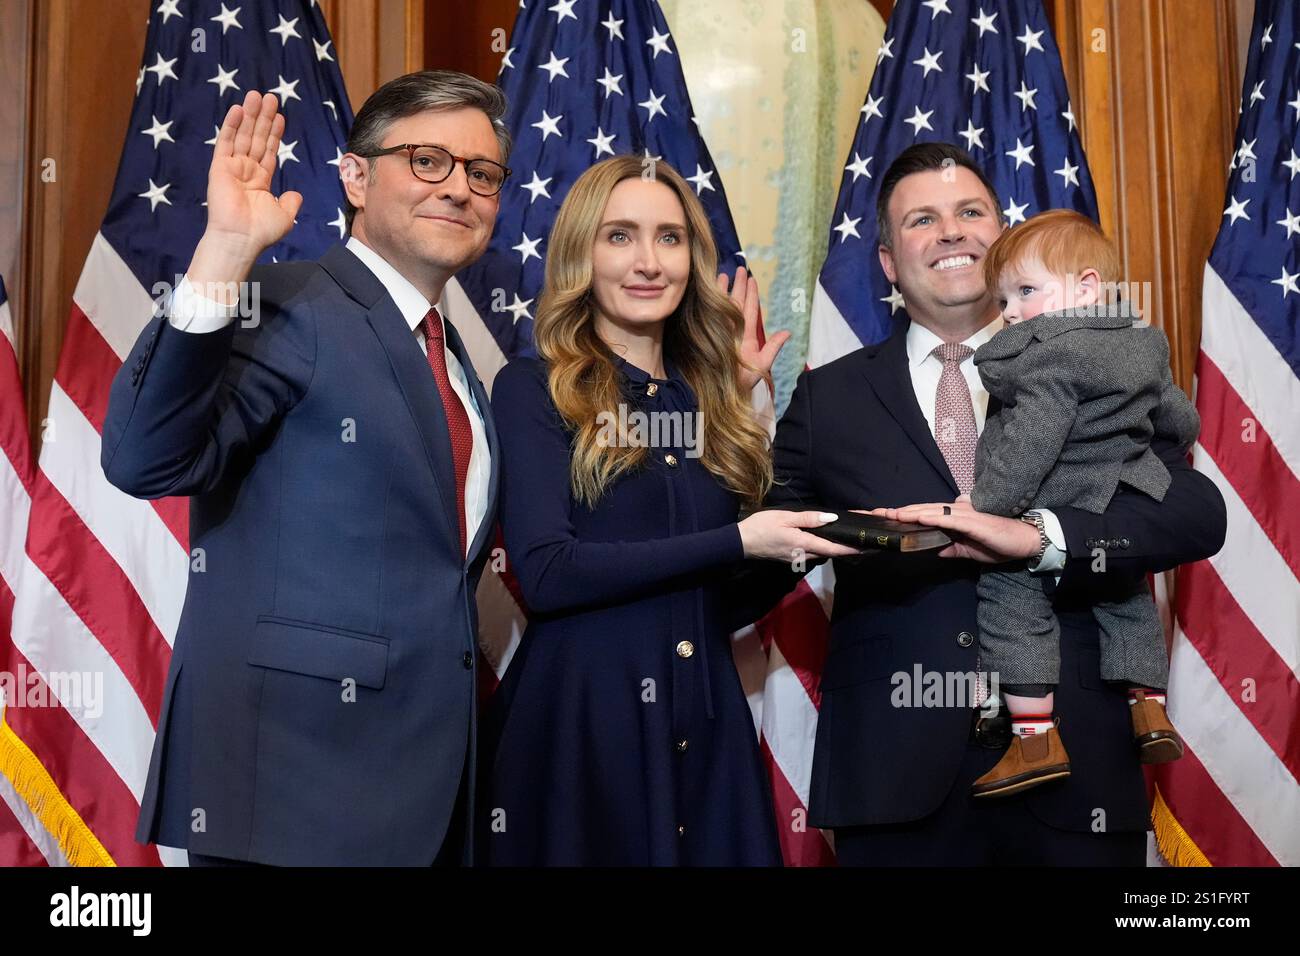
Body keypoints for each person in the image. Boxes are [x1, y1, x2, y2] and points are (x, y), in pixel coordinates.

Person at [764, 143, 1226, 865]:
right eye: (922, 219)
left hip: (1081, 777)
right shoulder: (829, 398)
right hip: (894, 788)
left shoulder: (1102, 361)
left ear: (1004, 236)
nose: (950, 231)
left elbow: (1195, 515)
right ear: (888, 262)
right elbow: (757, 567)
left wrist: (1040, 537)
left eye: (970, 211)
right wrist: (720, 414)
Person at [102, 71, 510, 866]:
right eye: (428, 160)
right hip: (290, 796)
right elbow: (144, 457)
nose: (459, 188)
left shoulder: (456, 362)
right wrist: (225, 250)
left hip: (422, 806)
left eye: (482, 173)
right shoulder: (289, 304)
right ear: (355, 177)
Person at [479, 155, 855, 866]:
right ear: (579, 254)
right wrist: (742, 541)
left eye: (670, 238)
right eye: (619, 236)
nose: (648, 261)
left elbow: (715, 598)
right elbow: (548, 572)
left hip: (706, 723)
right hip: (585, 729)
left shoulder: (705, 402)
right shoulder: (534, 387)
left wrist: (818, 538)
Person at [963, 210, 1199, 799]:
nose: (1010, 312)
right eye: (1002, 301)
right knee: (1126, 594)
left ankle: (1035, 738)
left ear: (1087, 287)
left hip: (1057, 500)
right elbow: (1181, 418)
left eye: (1024, 292)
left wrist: (985, 509)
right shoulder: (1143, 344)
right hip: (1121, 499)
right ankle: (1148, 708)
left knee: (1009, 595)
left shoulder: (1048, 358)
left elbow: (1030, 445)